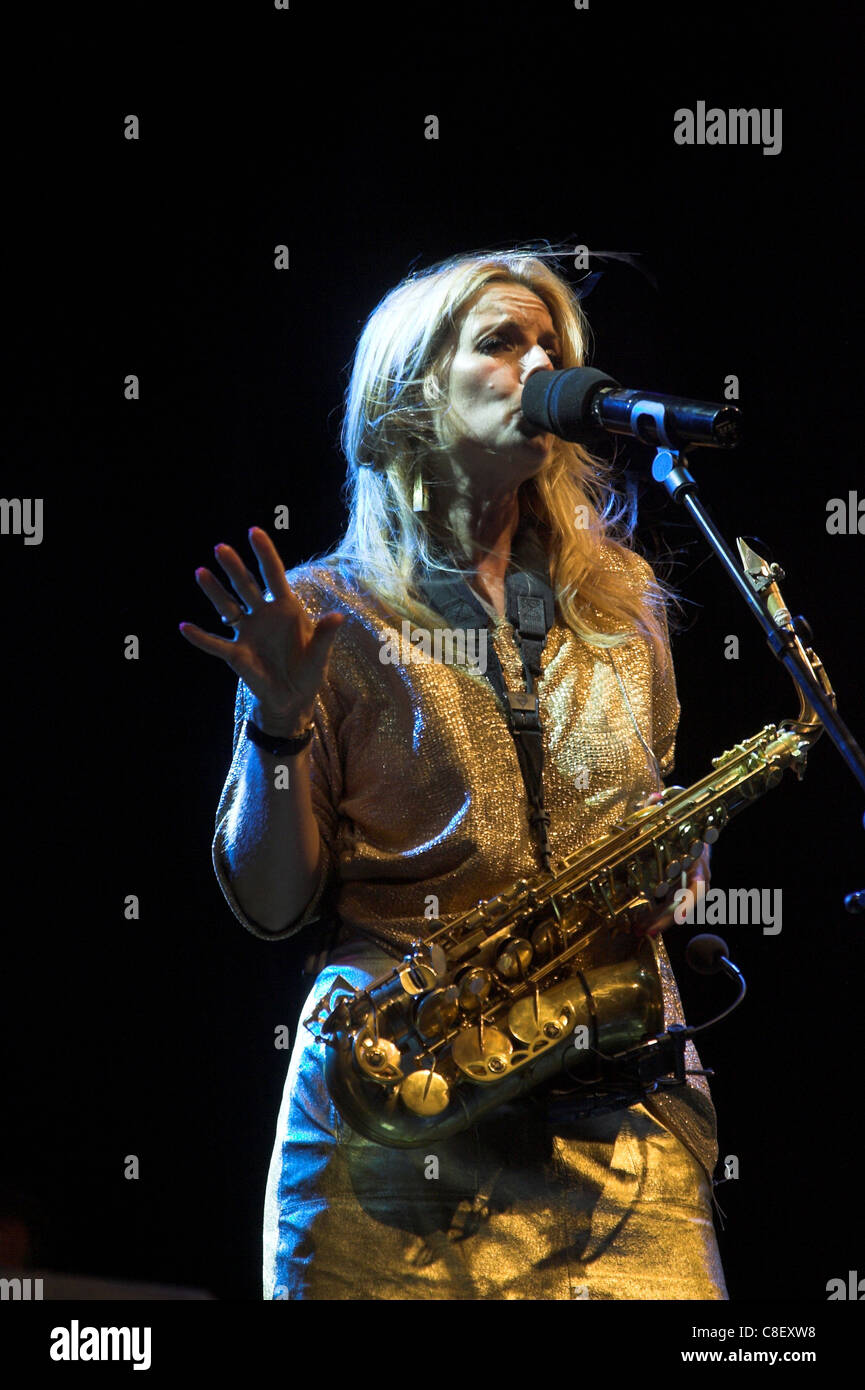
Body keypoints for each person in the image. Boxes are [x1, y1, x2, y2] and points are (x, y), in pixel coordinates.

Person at [179, 249, 728, 1300]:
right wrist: (281, 727)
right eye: (501, 341)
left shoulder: (626, 602)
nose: (539, 365)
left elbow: (656, 808)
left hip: (618, 1114)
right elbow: (269, 902)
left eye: (552, 347)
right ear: (412, 385)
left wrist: (679, 867)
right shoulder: (319, 610)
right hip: (399, 1110)